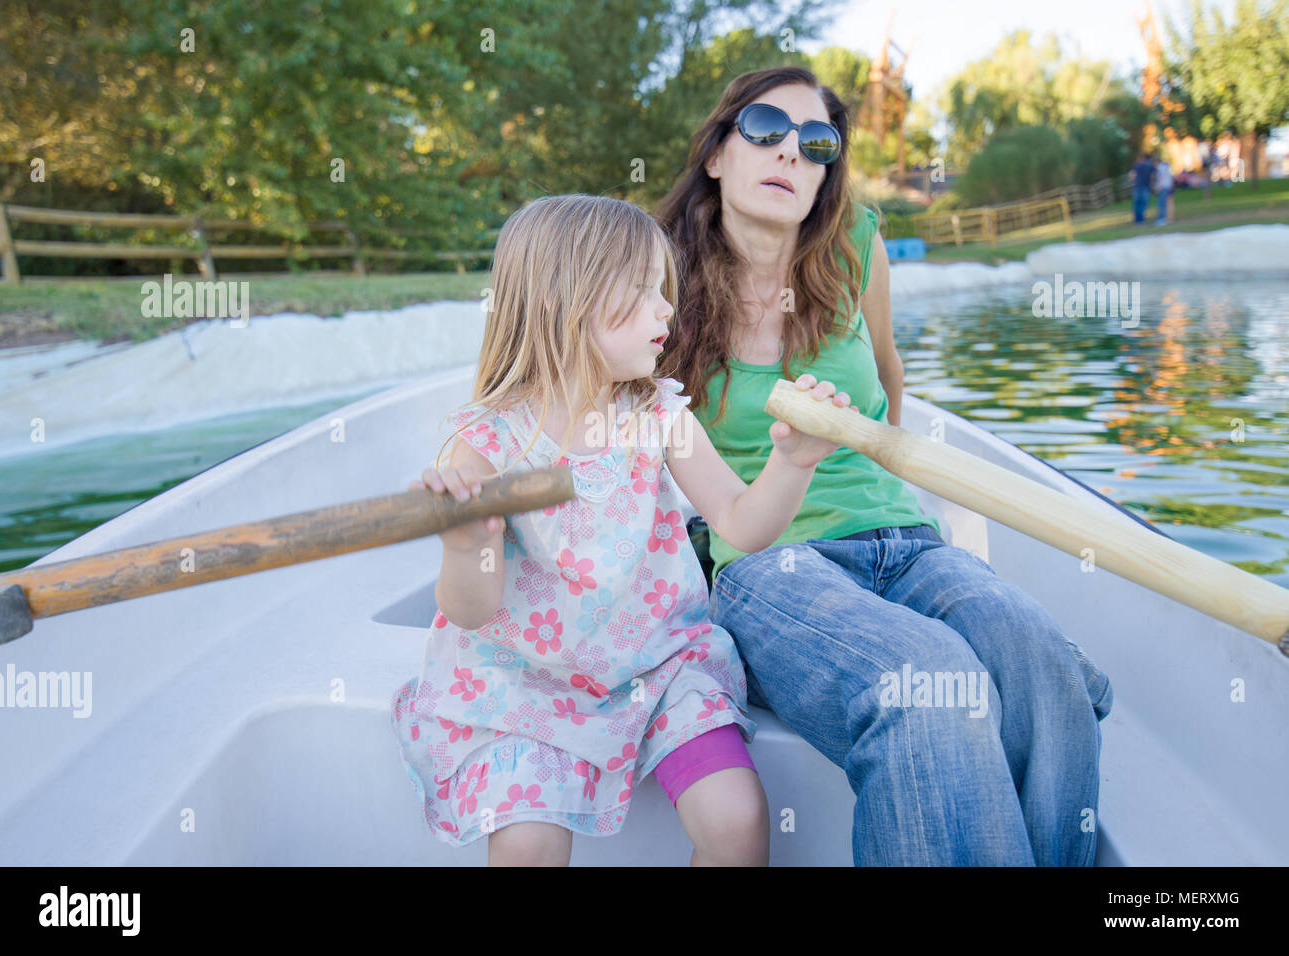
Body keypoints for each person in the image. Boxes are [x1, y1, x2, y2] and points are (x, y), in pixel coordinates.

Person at [654, 66, 1113, 866]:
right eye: (765, 128)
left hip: (904, 539)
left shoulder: (856, 241)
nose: (791, 152)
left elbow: (890, 372)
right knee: (927, 680)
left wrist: (883, 476)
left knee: (1040, 661)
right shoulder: (657, 273)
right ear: (718, 153)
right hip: (770, 560)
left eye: (817, 143)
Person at [389, 193, 850, 866]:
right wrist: (466, 543)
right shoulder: (487, 445)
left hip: (661, 665)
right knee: (526, 849)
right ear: (564, 302)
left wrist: (793, 462)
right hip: (525, 686)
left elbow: (740, 524)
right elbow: (471, 608)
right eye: (641, 291)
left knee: (737, 819)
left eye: (661, 290)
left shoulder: (659, 414)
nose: (666, 308)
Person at [1130, 152, 1155, 223]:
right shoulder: (1150, 165)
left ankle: (1137, 220)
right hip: (1145, 186)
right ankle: (1142, 219)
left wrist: (1134, 181)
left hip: (1137, 186)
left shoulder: (1136, 165)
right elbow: (1152, 176)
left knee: (1137, 203)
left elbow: (1132, 176)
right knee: (1144, 203)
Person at [1153, 156, 1174, 225]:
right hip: (1168, 186)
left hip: (1162, 187)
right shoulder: (1167, 167)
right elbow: (1170, 177)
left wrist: (1158, 187)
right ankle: (1168, 218)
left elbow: (1161, 178)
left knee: (1161, 203)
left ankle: (1162, 218)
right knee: (1167, 203)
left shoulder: (1160, 168)